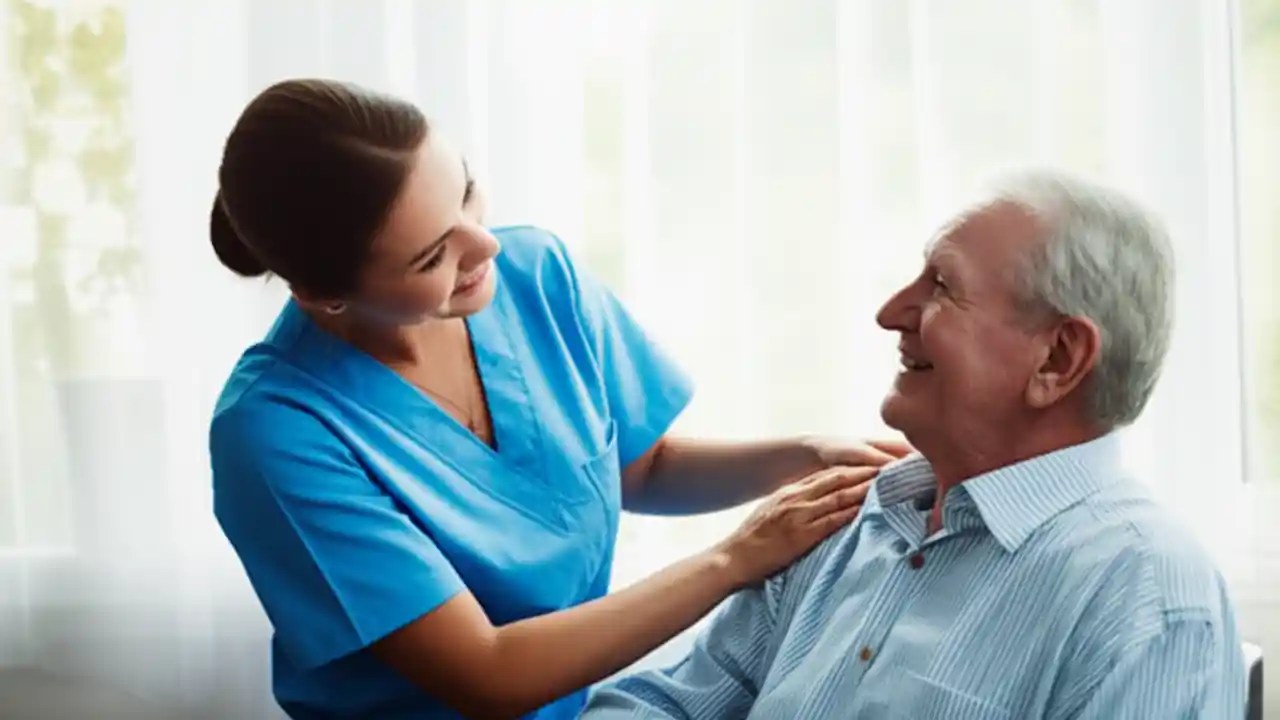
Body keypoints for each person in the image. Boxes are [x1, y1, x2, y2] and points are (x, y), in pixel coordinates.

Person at [208, 78, 906, 720]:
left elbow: (643, 468)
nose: (483, 246)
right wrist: (734, 559)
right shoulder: (277, 432)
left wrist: (801, 456)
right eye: (431, 256)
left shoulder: (538, 274)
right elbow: (488, 676)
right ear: (324, 294)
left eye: (466, 193)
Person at [585, 171, 1246, 719]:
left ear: (1058, 359)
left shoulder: (1146, 597)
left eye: (942, 287)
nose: (891, 312)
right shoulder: (844, 517)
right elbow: (666, 704)